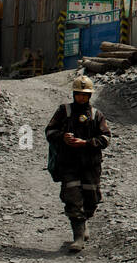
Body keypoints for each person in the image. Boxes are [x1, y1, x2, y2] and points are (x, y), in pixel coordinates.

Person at [45, 76, 111, 253]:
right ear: (74, 94)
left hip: (90, 165)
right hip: (69, 164)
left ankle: (84, 220)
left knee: (91, 199)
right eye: (79, 94)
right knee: (72, 199)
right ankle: (78, 236)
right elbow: (50, 131)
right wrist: (62, 137)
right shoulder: (63, 111)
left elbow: (105, 138)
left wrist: (87, 143)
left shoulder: (97, 115)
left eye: (85, 95)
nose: (81, 98)